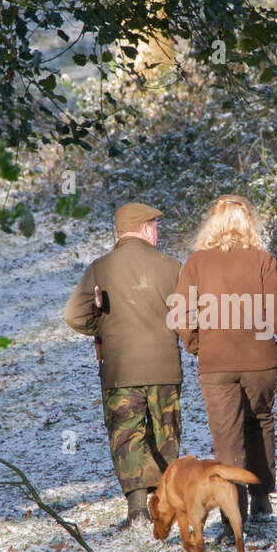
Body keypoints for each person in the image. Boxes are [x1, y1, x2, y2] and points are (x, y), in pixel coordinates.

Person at [168, 196, 277, 533]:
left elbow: (181, 315)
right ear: (249, 224)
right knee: (259, 424)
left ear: (211, 224)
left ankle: (232, 513)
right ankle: (260, 497)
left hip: (216, 365)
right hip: (260, 361)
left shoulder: (196, 263)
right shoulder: (262, 260)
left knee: (226, 438)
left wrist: (200, 345)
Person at [64, 203, 182, 529]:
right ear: (144, 228)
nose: (158, 231)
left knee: (126, 434)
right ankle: (165, 506)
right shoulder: (172, 266)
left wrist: (102, 328)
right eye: (156, 225)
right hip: (164, 369)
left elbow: (74, 315)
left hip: (119, 370)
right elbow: (190, 315)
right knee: (165, 434)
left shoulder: (100, 269)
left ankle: (137, 511)